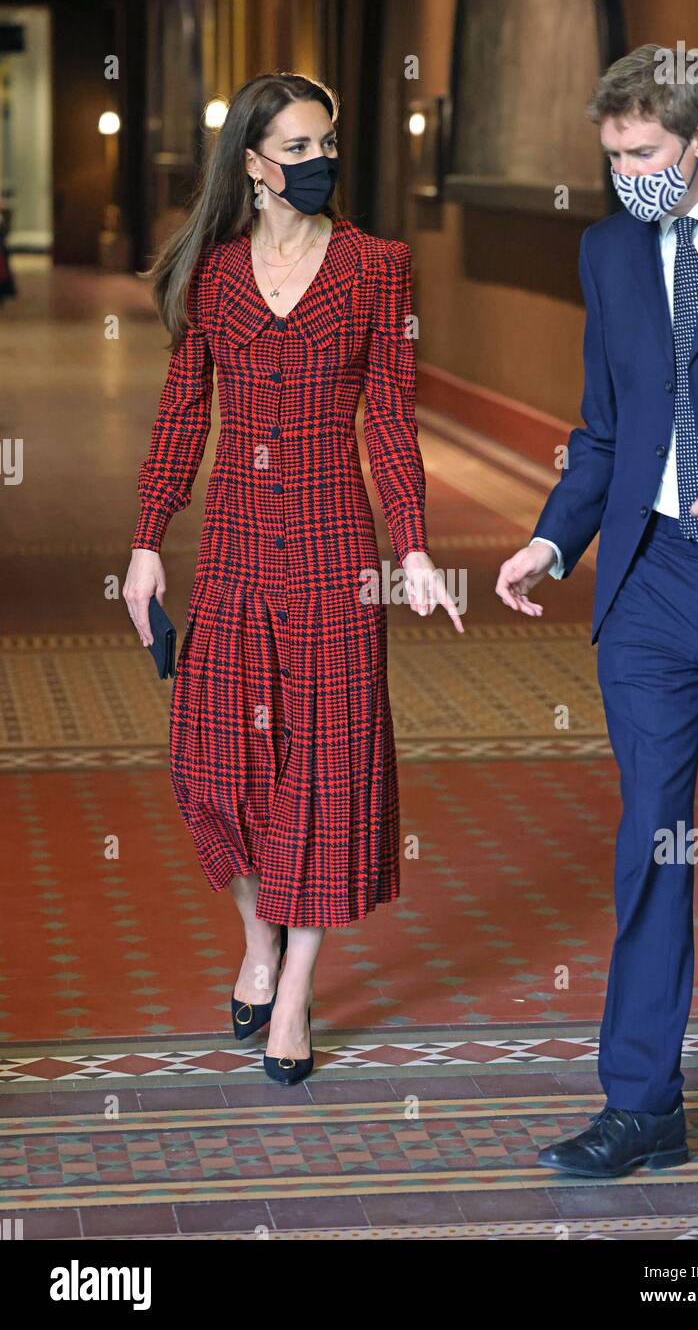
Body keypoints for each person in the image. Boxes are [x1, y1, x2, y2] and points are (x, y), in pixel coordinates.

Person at [496, 43, 698, 1177]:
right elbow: (605, 426)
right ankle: (643, 1102)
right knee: (654, 831)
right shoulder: (608, 252)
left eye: (642, 154)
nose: (625, 175)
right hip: (648, 580)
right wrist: (551, 537)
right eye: (611, 156)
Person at [124, 72, 463, 1086]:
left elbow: (392, 425)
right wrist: (147, 542)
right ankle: (258, 941)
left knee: (321, 776)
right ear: (255, 162)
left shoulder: (375, 268)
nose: (321, 163)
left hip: (333, 560)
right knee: (213, 773)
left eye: (329, 144)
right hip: (232, 551)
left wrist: (411, 549)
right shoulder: (214, 275)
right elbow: (182, 416)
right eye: (302, 147)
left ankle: (298, 989)